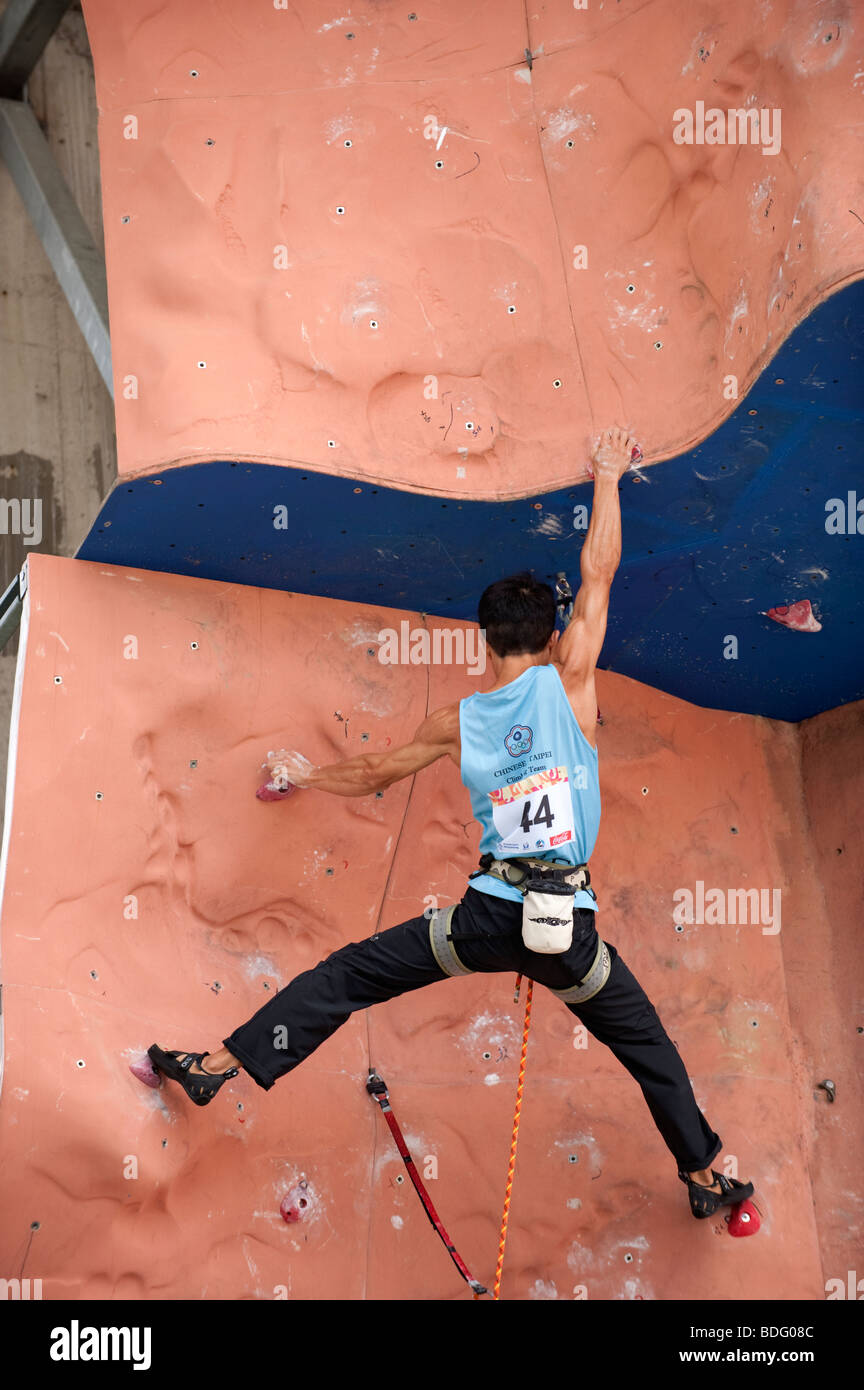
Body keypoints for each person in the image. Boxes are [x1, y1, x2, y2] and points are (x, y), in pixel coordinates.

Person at [147, 427, 753, 1221]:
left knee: (347, 977)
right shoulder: (572, 683)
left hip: (483, 919)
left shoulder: (458, 722)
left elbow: (373, 774)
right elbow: (598, 571)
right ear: (551, 638)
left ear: (485, 639)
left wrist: (303, 775)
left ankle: (220, 1063)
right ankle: (706, 1175)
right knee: (650, 1051)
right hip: (566, 931)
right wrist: (607, 475)